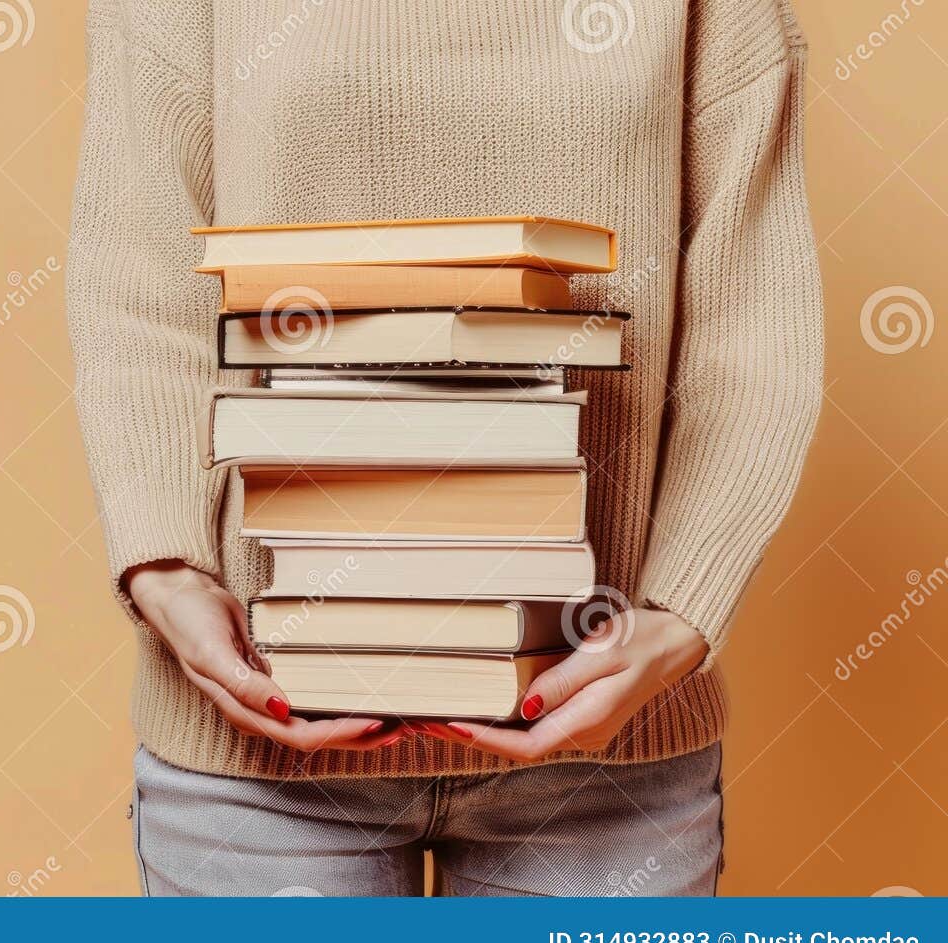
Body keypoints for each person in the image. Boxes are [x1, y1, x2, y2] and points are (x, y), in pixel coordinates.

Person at [65, 0, 822, 896]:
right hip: (260, 754)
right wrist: (168, 570)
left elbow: (753, 312)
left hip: (606, 755)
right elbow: (138, 282)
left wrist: (680, 612)